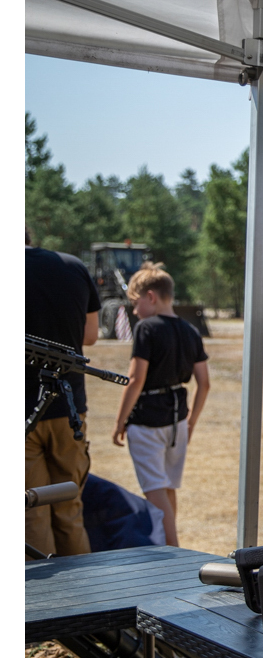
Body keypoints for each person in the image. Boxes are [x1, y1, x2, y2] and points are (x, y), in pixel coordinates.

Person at [112, 263, 210, 547]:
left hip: (148, 421)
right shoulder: (191, 330)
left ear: (151, 296)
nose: (133, 311)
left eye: (135, 303)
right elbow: (204, 383)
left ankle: (172, 553)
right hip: (178, 420)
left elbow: (136, 379)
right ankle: (170, 545)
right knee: (167, 488)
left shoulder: (146, 328)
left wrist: (120, 421)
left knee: (154, 491)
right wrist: (191, 422)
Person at [26, 231, 101, 558]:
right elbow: (91, 335)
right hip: (69, 409)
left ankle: (46, 605)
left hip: (23, 416)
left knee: (31, 511)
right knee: (70, 508)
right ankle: (82, 599)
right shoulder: (73, 266)